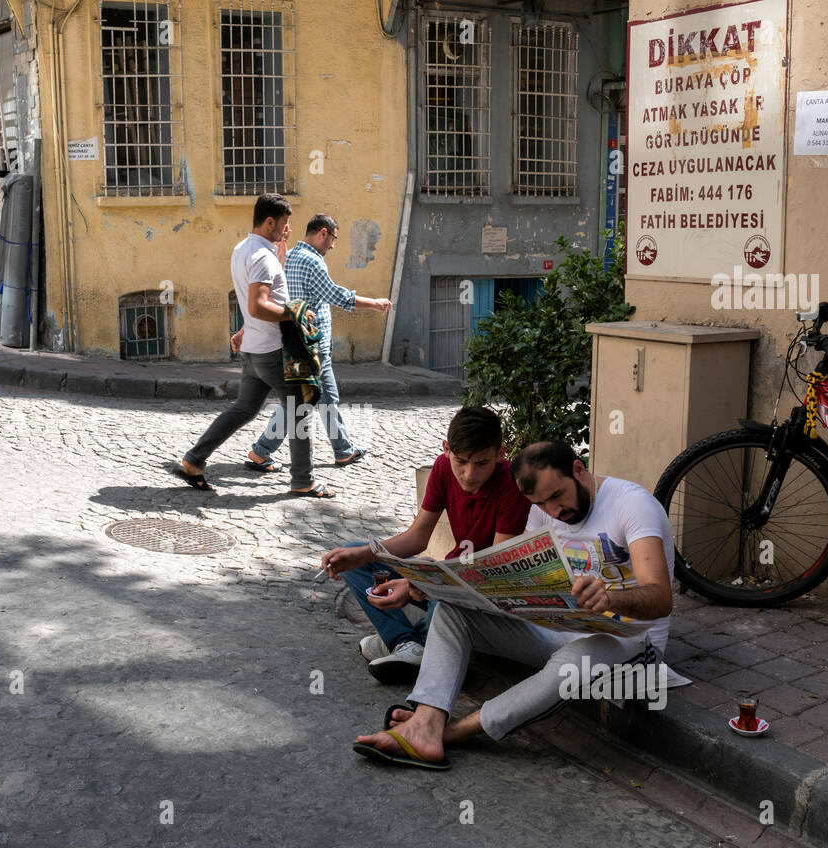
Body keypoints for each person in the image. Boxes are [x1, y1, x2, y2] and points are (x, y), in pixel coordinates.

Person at [352, 440, 675, 769]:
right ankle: (426, 720)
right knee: (453, 612)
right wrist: (429, 587)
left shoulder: (632, 505)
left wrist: (610, 598)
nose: (554, 511)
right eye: (541, 503)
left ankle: (453, 733)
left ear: (579, 469)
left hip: (629, 638)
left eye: (557, 496)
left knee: (570, 666)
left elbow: (661, 599)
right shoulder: (540, 511)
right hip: (562, 624)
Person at [320, 406, 529, 682]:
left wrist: (421, 583)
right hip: (448, 576)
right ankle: (408, 643)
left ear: (500, 454)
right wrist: (361, 554)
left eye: (481, 463)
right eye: (461, 461)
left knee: (435, 578)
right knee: (357, 557)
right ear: (446, 449)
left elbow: (496, 568)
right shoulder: (442, 469)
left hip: (481, 592)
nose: (468, 474)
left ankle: (409, 641)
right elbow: (417, 537)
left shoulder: (511, 484)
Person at [174, 194, 335, 498]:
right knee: (300, 409)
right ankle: (303, 480)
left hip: (253, 349)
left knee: (244, 408)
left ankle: (194, 459)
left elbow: (275, 284)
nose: (286, 229)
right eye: (283, 224)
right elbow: (260, 305)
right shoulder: (262, 256)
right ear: (270, 222)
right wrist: (295, 312)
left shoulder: (244, 249)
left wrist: (281, 247)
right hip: (273, 350)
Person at [235, 214, 391, 471]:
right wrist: (375, 303)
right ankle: (333, 452)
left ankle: (267, 451)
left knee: (301, 401)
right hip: (312, 345)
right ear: (323, 233)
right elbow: (337, 296)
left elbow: (272, 299)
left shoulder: (291, 256)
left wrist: (245, 329)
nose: (333, 245)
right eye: (333, 239)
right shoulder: (312, 262)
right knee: (316, 399)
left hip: (294, 342)